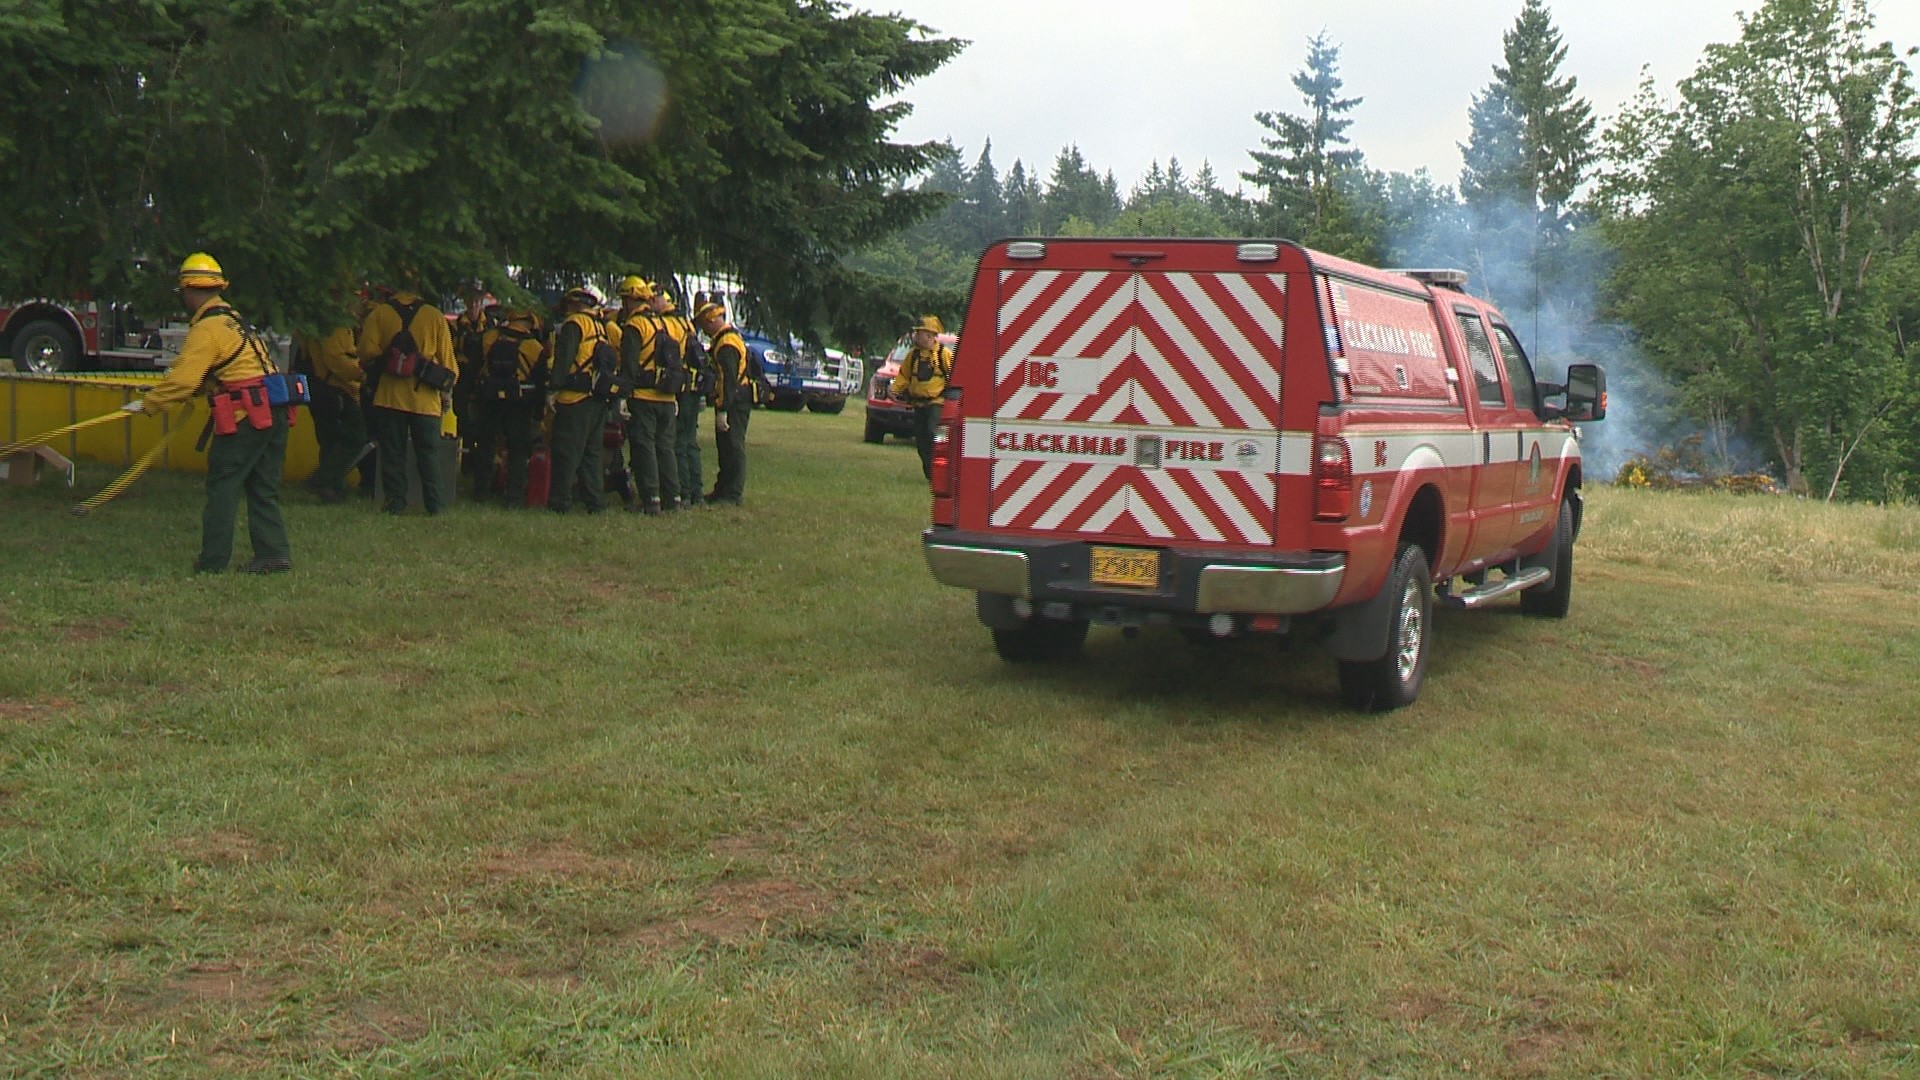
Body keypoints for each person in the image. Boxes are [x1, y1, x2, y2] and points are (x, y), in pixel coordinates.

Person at [124, 253, 292, 573]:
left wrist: (149, 404)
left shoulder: (207, 328)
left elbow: (184, 380)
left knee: (223, 485)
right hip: (276, 408)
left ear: (187, 290)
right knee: (262, 485)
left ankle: (213, 562)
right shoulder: (235, 320)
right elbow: (228, 370)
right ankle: (273, 553)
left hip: (247, 415)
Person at [358, 279, 458, 515]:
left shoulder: (380, 314)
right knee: (429, 455)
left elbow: (364, 351)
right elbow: (450, 366)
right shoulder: (434, 317)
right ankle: (435, 506)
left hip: (389, 396)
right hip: (426, 399)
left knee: (393, 454)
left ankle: (395, 504)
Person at [546, 285, 617, 514]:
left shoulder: (574, 324)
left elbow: (564, 359)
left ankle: (560, 503)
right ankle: (595, 503)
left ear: (574, 304)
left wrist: (553, 389)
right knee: (592, 453)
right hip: (596, 398)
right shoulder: (599, 326)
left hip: (574, 399)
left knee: (566, 452)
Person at [616, 276, 682, 515]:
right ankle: (673, 497)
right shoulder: (666, 324)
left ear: (630, 300)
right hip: (667, 396)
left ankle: (651, 500)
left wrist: (623, 396)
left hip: (643, 397)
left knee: (644, 447)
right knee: (665, 448)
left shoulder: (635, 326)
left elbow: (629, 366)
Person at [470, 308, 546, 506]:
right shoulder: (534, 347)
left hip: (489, 399)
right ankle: (513, 496)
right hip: (519, 403)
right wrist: (538, 414)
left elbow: (475, 368)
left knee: (485, 445)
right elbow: (540, 384)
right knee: (518, 449)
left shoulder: (490, 337)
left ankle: (481, 492)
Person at [298, 299, 366, 504]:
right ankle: (322, 480)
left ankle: (332, 490)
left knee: (331, 440)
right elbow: (336, 358)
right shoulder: (336, 324)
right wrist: (361, 374)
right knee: (354, 438)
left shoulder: (318, 321)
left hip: (322, 388)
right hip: (337, 389)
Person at [694, 301, 762, 507]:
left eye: (705, 324)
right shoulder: (726, 338)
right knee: (725, 446)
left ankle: (732, 494)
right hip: (734, 398)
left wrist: (723, 409)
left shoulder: (727, 344)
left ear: (713, 319)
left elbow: (728, 379)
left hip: (735, 400)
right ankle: (722, 490)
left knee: (733, 446)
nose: (704, 330)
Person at [891, 315, 953, 479]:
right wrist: (894, 389)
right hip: (918, 405)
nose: (916, 336)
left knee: (935, 437)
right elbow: (904, 376)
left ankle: (941, 473)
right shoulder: (913, 356)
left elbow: (955, 377)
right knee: (921, 442)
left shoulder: (943, 354)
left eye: (920, 333)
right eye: (916, 333)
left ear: (931, 336)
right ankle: (931, 475)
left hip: (936, 405)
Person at [668, 287, 711, 507]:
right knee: (690, 443)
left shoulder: (672, 327)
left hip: (683, 391)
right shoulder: (687, 326)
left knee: (679, 443)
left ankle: (684, 492)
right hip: (694, 390)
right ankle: (697, 493)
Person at [451, 282, 492, 482]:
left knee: (483, 423)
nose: (474, 305)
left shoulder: (490, 325)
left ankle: (480, 466)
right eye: (470, 301)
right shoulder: (457, 326)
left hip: (484, 380)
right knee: (464, 422)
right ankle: (465, 464)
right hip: (463, 379)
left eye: (477, 301)